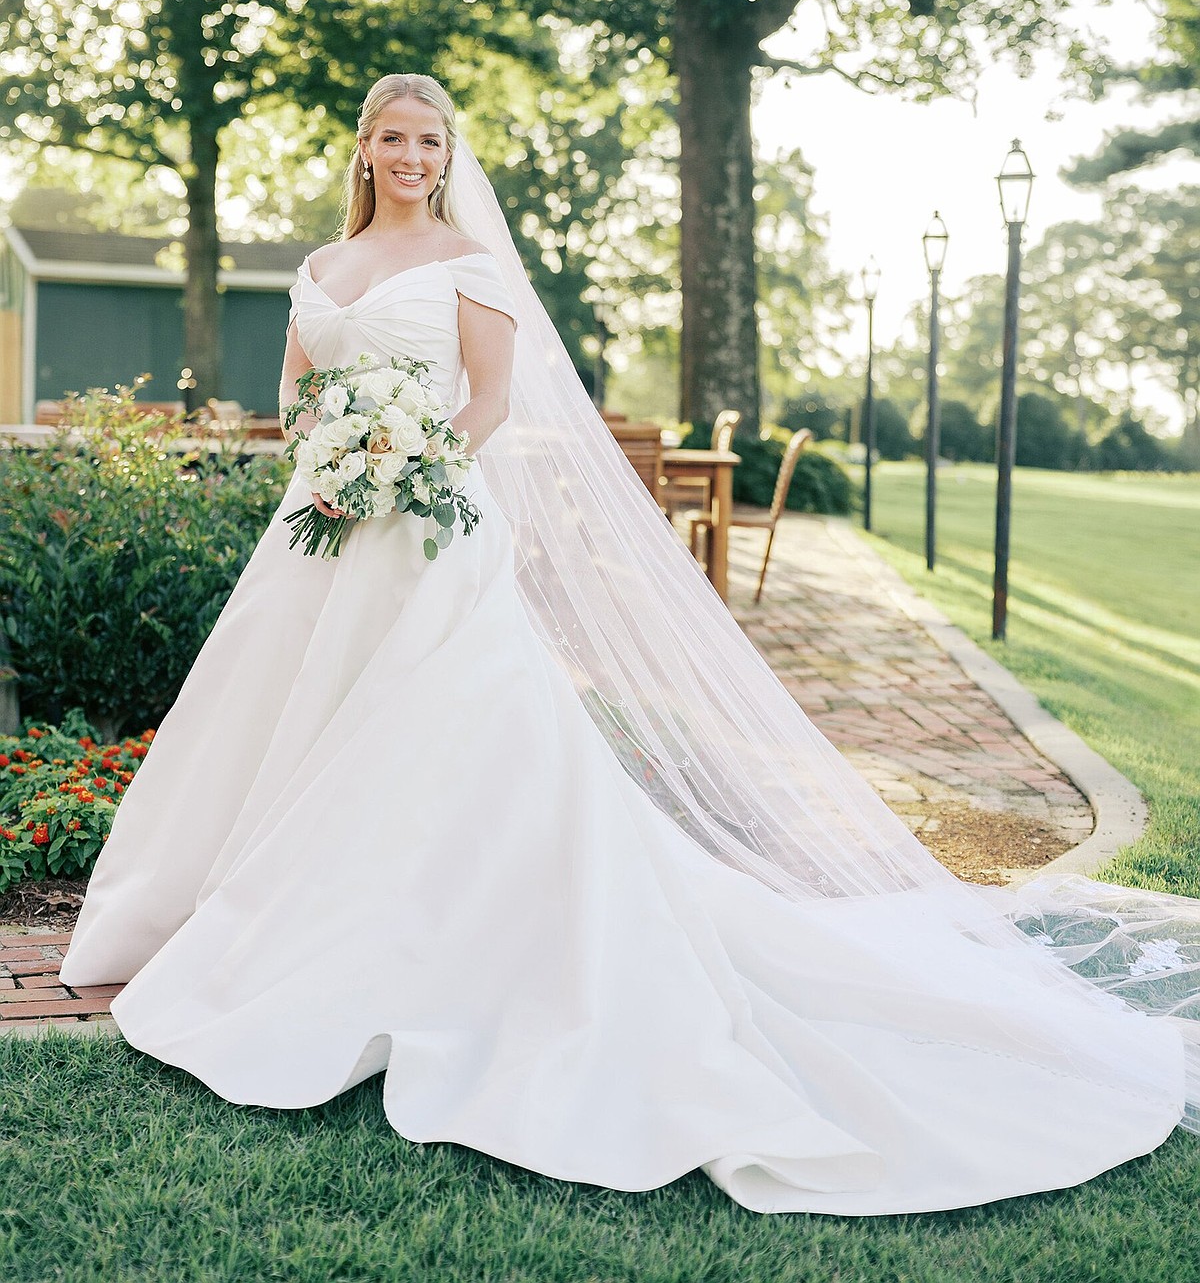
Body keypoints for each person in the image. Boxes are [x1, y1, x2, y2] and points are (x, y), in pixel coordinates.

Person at [59, 73, 1199, 1216]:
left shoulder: (470, 260)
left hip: (426, 533)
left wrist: (403, 470)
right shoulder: (320, 268)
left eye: (429, 140)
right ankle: (250, 914)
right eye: (393, 138)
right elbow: (298, 384)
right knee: (288, 714)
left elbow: (491, 401)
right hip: (319, 533)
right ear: (363, 149)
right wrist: (334, 454)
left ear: (448, 154)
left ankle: (437, 941)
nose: (411, 156)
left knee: (432, 735)